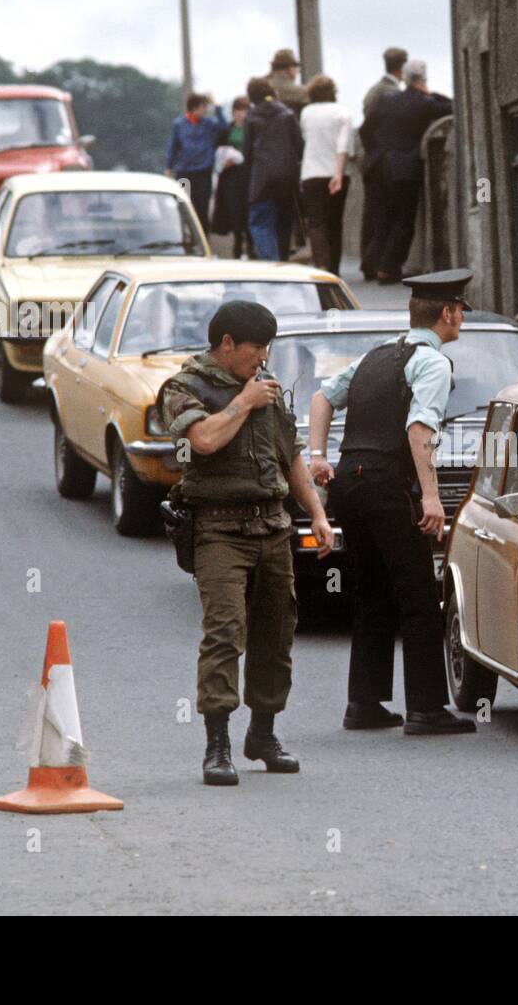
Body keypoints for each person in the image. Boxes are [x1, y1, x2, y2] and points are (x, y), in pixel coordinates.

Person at [158, 301, 334, 785]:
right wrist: (243, 403)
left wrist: (316, 513)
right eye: (255, 348)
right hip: (219, 529)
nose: (262, 357)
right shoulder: (184, 387)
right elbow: (204, 441)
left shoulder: (267, 390)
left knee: (275, 635)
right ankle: (217, 745)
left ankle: (263, 733)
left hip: (272, 526)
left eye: (267, 349)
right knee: (224, 634)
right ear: (227, 343)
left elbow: (290, 455)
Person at [307, 270, 477, 736]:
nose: (461, 317)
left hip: (350, 483)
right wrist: (431, 496)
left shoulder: (376, 355)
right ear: (446, 313)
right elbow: (419, 430)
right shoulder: (433, 364)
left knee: (371, 594)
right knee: (420, 597)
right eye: (460, 309)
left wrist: (319, 457)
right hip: (387, 485)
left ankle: (364, 705)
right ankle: (426, 709)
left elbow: (322, 397)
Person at [360, 59, 452, 283]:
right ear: (421, 81)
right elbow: (452, 105)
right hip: (404, 168)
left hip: (378, 164)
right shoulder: (423, 103)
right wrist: (430, 93)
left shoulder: (385, 100)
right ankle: (388, 268)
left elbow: (364, 130)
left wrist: (375, 151)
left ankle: (371, 264)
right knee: (403, 220)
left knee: (381, 219)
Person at [359, 47, 407, 281]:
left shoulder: (374, 90)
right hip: (384, 161)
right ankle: (378, 264)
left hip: (373, 162)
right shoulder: (388, 92)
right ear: (403, 67)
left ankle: (370, 263)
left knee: (375, 216)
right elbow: (368, 129)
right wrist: (379, 150)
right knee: (388, 217)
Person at [244, 76, 303, 262]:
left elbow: (247, 153)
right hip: (287, 176)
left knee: (260, 222)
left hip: (262, 178)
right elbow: (300, 146)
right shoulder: (288, 114)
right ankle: (283, 262)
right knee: (284, 222)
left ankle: (271, 263)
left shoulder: (252, 117)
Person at [299, 74, 352, 275]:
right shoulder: (342, 113)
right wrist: (338, 173)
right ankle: (334, 269)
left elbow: (306, 138)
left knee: (316, 222)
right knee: (334, 223)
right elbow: (344, 146)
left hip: (311, 173)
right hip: (335, 173)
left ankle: (321, 265)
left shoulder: (306, 113)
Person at [166, 92, 229, 233]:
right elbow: (173, 146)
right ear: (194, 108)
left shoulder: (208, 123)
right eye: (203, 107)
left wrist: (217, 106)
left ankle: (203, 241)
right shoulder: (179, 124)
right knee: (183, 206)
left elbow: (224, 127)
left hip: (203, 172)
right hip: (184, 172)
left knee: (202, 209)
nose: (206, 110)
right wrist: (169, 167)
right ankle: (184, 238)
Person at [211, 96, 253, 258]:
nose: (242, 114)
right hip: (230, 176)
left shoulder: (252, 129)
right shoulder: (227, 130)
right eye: (239, 111)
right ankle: (237, 242)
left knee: (248, 210)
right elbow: (219, 150)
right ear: (234, 112)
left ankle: (250, 245)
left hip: (247, 175)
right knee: (234, 210)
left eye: (245, 110)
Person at [268, 48, 309, 119]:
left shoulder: (263, 90)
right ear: (290, 69)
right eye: (296, 67)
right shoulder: (302, 92)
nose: (297, 72)